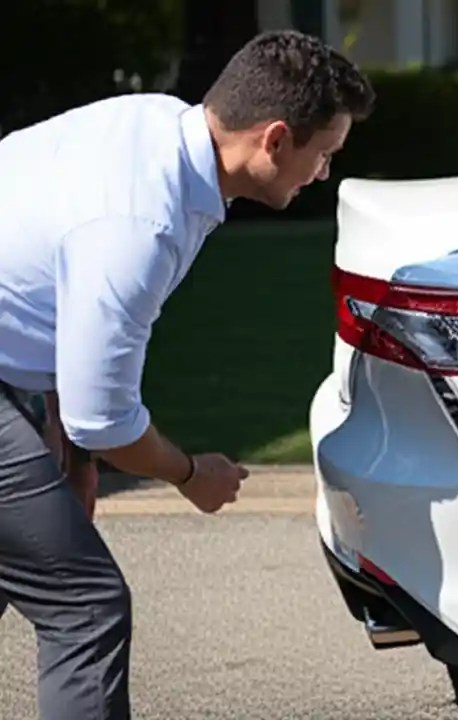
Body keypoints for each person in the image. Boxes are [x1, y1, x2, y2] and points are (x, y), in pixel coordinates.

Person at [0, 30, 375, 719]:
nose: (322, 173)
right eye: (323, 155)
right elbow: (103, 417)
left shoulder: (156, 128)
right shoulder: (141, 222)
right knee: (85, 607)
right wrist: (188, 474)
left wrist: (77, 458)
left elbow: (54, 289)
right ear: (274, 140)